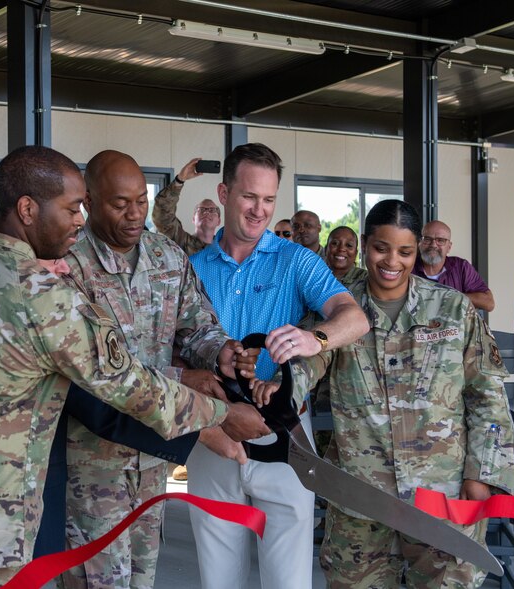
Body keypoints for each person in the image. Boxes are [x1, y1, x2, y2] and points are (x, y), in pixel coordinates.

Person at [0, 145, 268, 588]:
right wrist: (219, 415)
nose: (79, 220)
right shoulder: (39, 290)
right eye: (72, 208)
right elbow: (129, 383)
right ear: (27, 209)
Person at [283, 200, 514, 589]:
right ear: (364, 244)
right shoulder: (338, 307)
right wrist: (277, 392)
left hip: (442, 496)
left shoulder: (453, 309)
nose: (392, 261)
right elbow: (307, 365)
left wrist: (483, 477)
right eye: (381, 248)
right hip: (360, 498)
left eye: (405, 252)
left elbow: (487, 395)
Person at [59, 150, 248, 589]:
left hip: (153, 459)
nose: (133, 214)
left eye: (141, 201)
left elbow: (197, 326)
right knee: (96, 580)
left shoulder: (166, 256)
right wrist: (186, 382)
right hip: (92, 461)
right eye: (119, 203)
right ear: (89, 201)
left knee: (142, 578)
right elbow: (93, 371)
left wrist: (221, 354)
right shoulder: (67, 265)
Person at [186, 143, 370, 589]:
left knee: (289, 581)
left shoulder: (296, 261)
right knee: (218, 579)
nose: (259, 211)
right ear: (224, 192)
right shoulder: (189, 268)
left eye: (269, 200)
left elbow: (355, 318)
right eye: (249, 197)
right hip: (212, 435)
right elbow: (171, 349)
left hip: (285, 436)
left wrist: (313, 338)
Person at [413, 220, 495, 312]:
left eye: (440, 240)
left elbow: (489, 303)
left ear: (449, 247)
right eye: (427, 239)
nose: (433, 245)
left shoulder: (461, 267)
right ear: (419, 243)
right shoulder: (409, 267)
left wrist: (449, 296)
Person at [151, 157, 221, 255]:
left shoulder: (225, 250)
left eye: (212, 210)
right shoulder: (181, 243)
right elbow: (162, 216)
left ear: (219, 221)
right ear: (193, 218)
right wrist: (180, 180)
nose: (206, 212)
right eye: (201, 209)